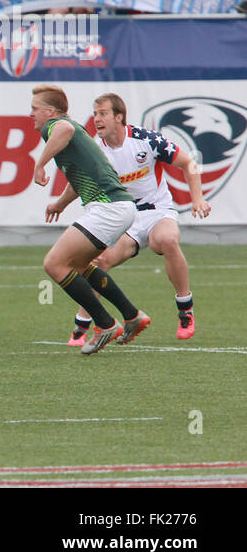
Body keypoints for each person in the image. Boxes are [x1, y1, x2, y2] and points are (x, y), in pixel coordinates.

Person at [49, 93, 209, 346]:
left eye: (103, 113)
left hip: (157, 211)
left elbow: (188, 163)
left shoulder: (146, 140)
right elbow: (79, 182)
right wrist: (59, 204)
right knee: (100, 261)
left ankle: (185, 308)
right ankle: (85, 322)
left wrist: (198, 198)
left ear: (119, 117)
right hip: (126, 216)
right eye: (95, 114)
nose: (97, 119)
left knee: (166, 240)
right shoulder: (95, 148)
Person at [32, 84, 148, 356]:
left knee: (54, 264)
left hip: (108, 208)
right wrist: (60, 203)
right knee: (80, 266)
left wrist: (39, 164)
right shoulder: (72, 133)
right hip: (118, 207)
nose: (31, 114)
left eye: (35, 109)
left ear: (50, 111)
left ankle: (105, 325)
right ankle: (133, 316)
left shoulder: (56, 126)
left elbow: (65, 129)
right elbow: (80, 176)